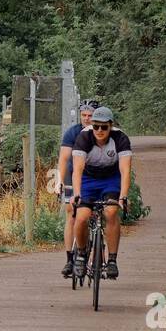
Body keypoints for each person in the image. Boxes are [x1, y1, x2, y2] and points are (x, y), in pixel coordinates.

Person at [71, 106, 133, 281]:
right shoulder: (84, 137)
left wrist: (123, 196)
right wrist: (76, 193)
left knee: (111, 212)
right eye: (96, 126)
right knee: (82, 217)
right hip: (88, 180)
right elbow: (77, 169)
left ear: (111, 126)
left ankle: (112, 259)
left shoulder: (120, 138)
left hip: (110, 179)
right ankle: (82, 254)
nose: (99, 131)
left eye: (104, 127)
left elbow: (125, 170)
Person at [55, 99, 97, 278]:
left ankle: (96, 251)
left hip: (94, 177)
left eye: (90, 116)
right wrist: (59, 181)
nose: (86, 119)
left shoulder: (101, 132)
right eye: (84, 115)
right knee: (71, 211)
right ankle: (69, 258)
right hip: (73, 175)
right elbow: (64, 159)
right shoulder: (73, 132)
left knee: (95, 212)